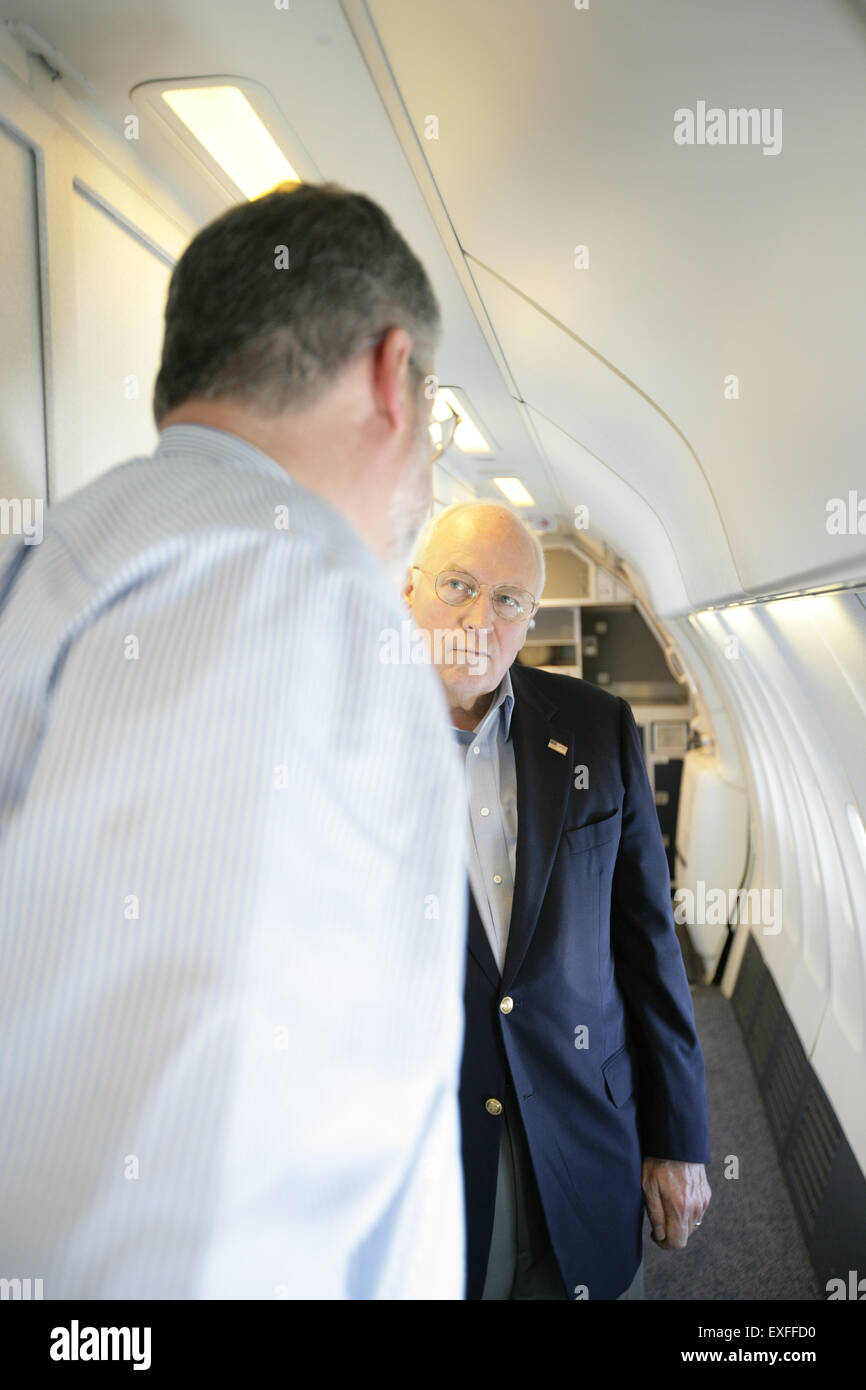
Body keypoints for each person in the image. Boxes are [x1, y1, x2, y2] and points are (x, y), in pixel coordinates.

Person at [0, 182, 468, 1299]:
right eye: (435, 418)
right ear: (386, 375)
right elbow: (190, 1187)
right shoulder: (286, 586)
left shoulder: (80, 549)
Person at [403, 499, 712, 1300]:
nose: (481, 616)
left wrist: (679, 1138)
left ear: (530, 618)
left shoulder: (597, 728)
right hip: (429, 1146)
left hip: (587, 1122)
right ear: (408, 593)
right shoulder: (342, 742)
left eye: (509, 599)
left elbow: (648, 944)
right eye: (458, 585)